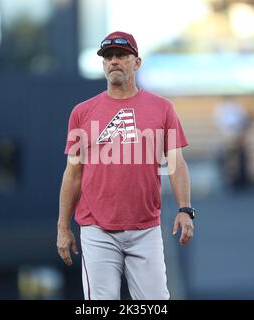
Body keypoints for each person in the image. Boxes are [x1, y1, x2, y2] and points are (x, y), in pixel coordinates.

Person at [56, 31, 195, 300]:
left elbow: (176, 163)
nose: (114, 61)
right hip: (97, 229)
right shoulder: (82, 112)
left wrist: (185, 209)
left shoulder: (162, 108)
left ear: (137, 62)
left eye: (121, 55)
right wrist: (63, 227)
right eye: (108, 57)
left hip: (145, 227)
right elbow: (73, 174)